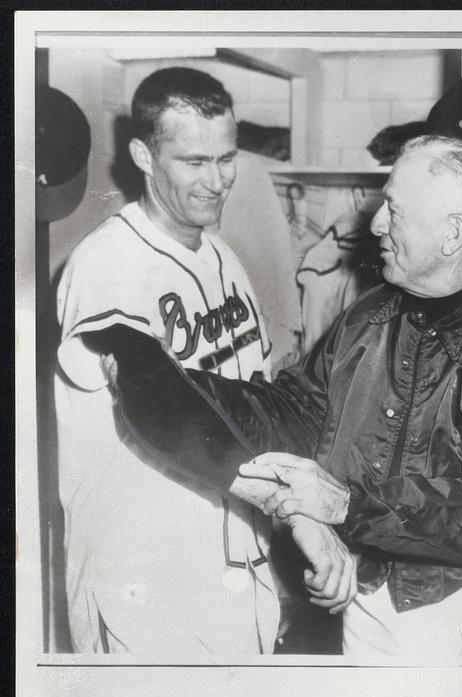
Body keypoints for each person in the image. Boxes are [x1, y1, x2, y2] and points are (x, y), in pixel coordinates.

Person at [104, 131, 462, 659]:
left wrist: (349, 505)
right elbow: (296, 411)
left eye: (393, 211)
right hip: (365, 599)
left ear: (452, 234)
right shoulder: (369, 315)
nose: (374, 225)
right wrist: (170, 376)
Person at [54, 66, 352, 655]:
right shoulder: (107, 263)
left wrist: (294, 518)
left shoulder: (222, 256)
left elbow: (259, 408)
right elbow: (156, 397)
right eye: (194, 162)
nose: (217, 182)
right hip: (143, 577)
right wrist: (289, 505)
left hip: (233, 563)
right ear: (144, 155)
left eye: (227, 158)